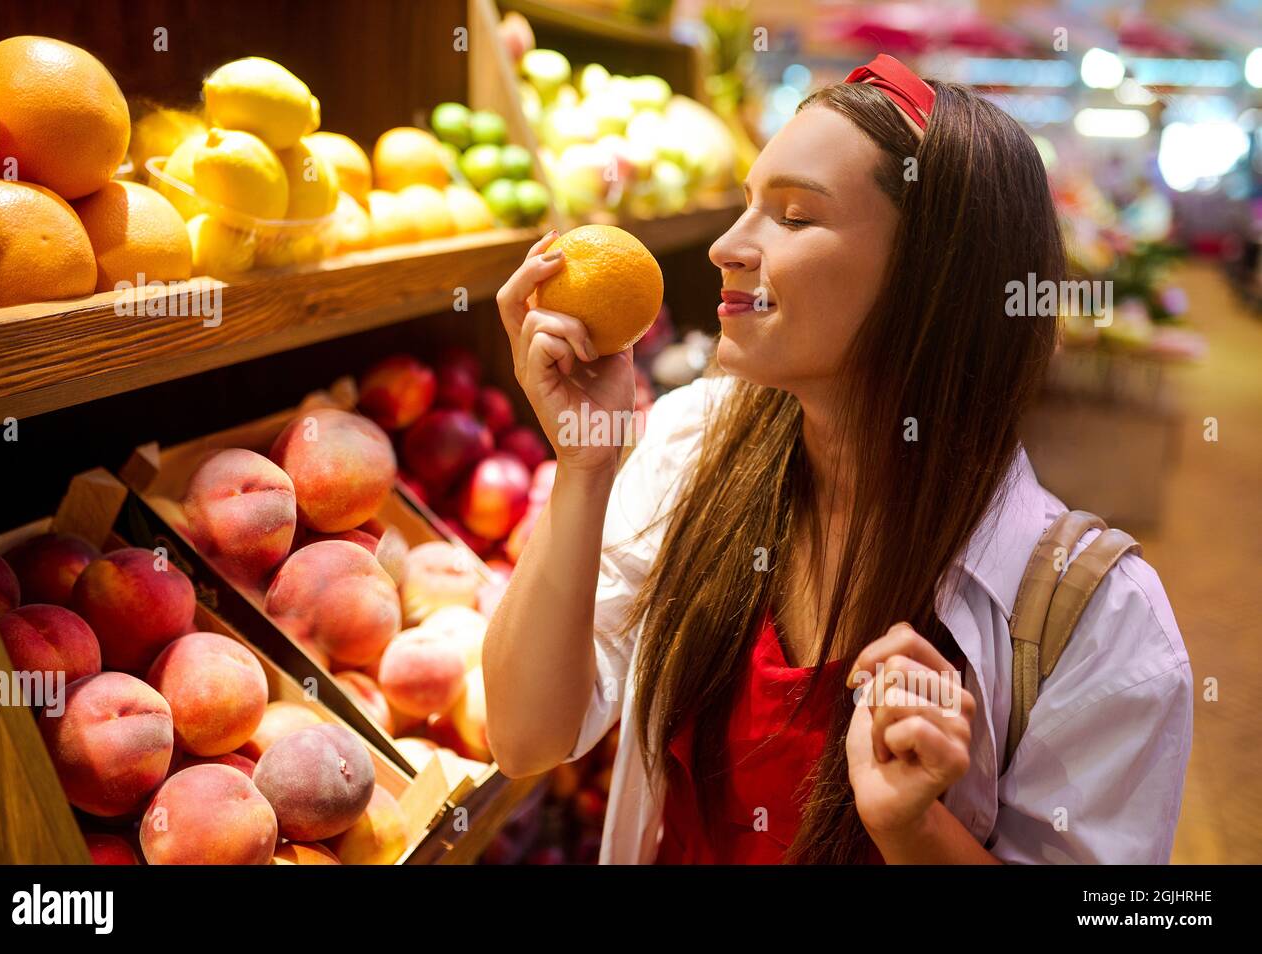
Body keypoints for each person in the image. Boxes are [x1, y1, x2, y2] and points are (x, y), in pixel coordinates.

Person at [482, 55, 1193, 864]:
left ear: (932, 279)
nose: (724, 247)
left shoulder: (1100, 625)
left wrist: (917, 830)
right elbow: (525, 736)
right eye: (747, 205)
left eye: (791, 216)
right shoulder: (693, 449)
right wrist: (583, 465)